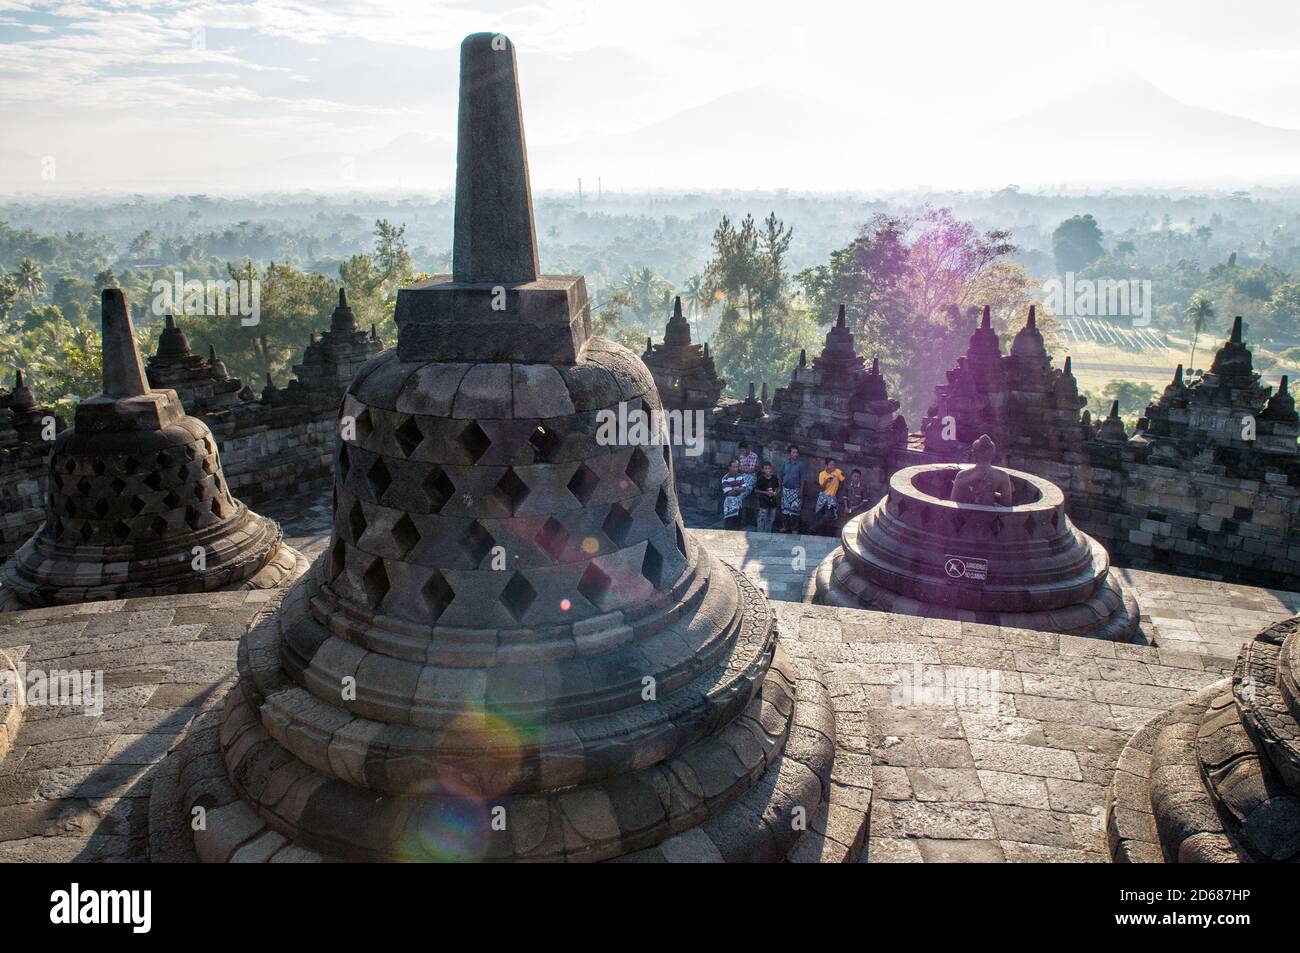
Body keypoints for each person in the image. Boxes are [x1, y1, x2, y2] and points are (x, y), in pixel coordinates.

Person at [950, 433, 1014, 506]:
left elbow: (952, 503)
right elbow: (1007, 505)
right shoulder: (1002, 476)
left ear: (973, 454)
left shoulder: (962, 475)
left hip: (966, 514)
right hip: (991, 515)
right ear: (993, 454)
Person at [778, 445, 806, 533]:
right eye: (793, 452)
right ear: (789, 453)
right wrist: (780, 487)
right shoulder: (785, 463)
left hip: (795, 490)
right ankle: (785, 527)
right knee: (785, 510)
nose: (795, 454)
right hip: (785, 490)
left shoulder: (800, 465)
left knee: (795, 511)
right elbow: (779, 474)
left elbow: (803, 479)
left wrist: (801, 491)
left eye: (797, 452)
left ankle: (794, 528)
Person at [815, 456, 845, 535]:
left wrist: (836, 484)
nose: (833, 466)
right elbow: (822, 488)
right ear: (826, 465)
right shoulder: (822, 474)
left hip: (831, 497)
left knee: (829, 516)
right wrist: (826, 481)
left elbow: (843, 480)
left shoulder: (837, 471)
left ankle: (813, 527)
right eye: (831, 465)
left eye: (834, 465)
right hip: (822, 496)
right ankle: (819, 533)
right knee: (819, 514)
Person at [754, 460, 780, 533]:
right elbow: (756, 490)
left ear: (771, 468)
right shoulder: (761, 479)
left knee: (771, 518)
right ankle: (760, 532)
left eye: (769, 468)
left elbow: (777, 487)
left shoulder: (774, 478)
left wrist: (776, 493)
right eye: (765, 468)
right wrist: (766, 492)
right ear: (762, 470)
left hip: (773, 501)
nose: (767, 470)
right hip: (764, 501)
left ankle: (768, 532)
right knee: (762, 518)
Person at [720, 459, 747, 528]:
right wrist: (739, 489)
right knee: (729, 524)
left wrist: (735, 488)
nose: (736, 468)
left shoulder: (740, 476)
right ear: (729, 467)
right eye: (734, 467)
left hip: (738, 503)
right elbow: (730, 493)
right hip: (730, 504)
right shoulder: (725, 478)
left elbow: (744, 488)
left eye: (737, 466)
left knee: (738, 524)